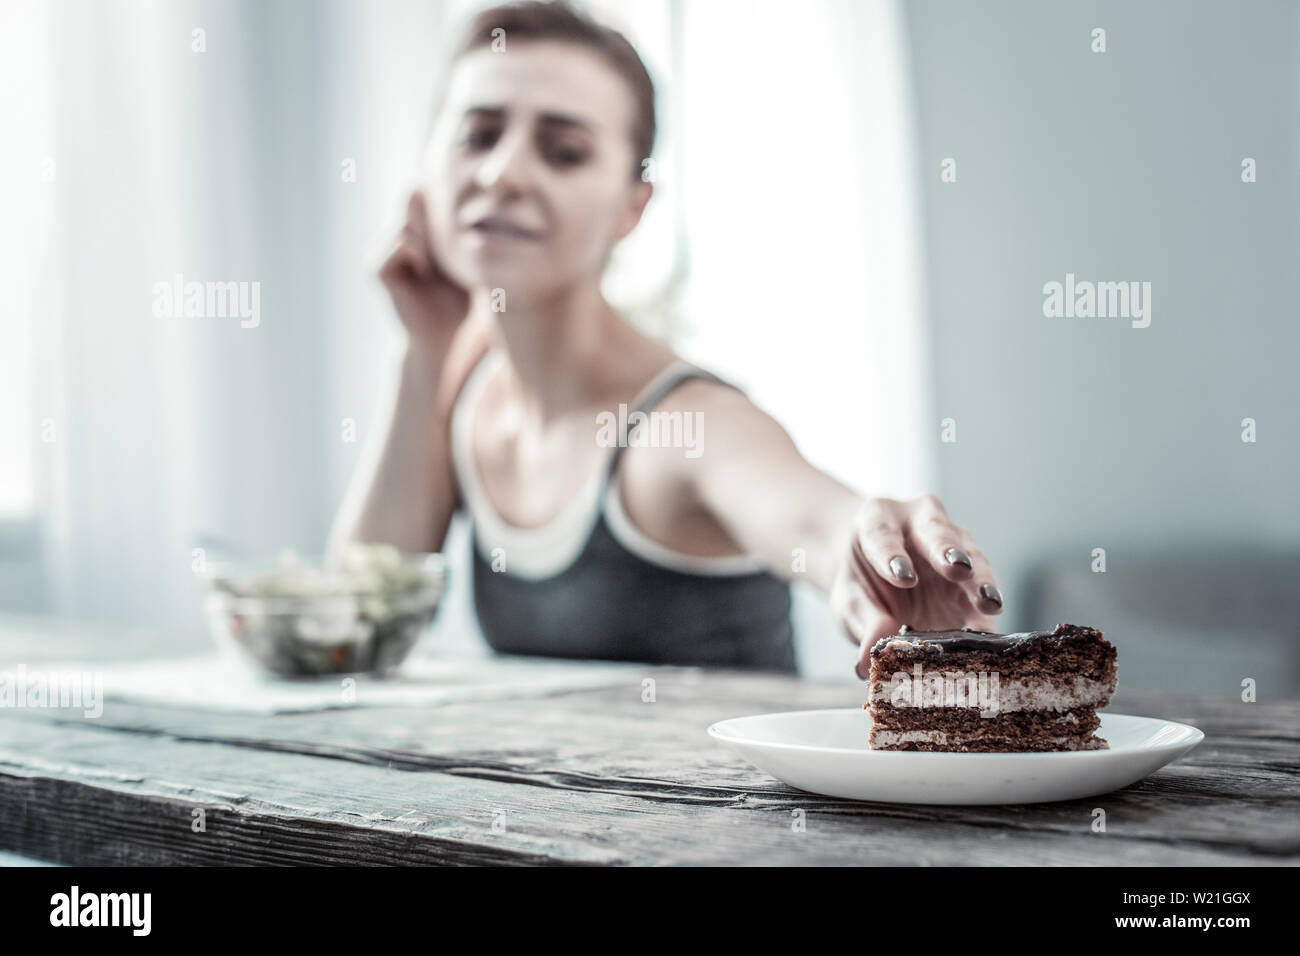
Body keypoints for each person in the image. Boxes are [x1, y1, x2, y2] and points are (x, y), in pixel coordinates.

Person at [327, 0, 1004, 679]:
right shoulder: (460, 389)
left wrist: (874, 551)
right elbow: (349, 628)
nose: (502, 173)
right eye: (477, 135)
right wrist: (424, 351)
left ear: (632, 206)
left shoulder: (686, 423)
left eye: (564, 152)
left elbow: (817, 524)